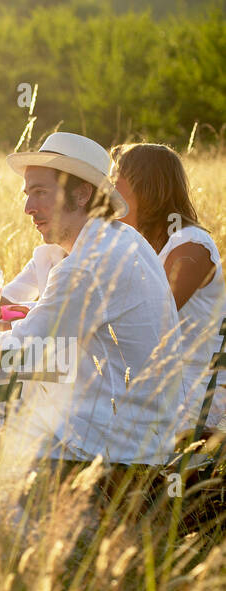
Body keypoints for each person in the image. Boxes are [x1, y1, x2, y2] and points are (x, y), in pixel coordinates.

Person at [0, 132, 186, 476]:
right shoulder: (120, 239)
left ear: (82, 193)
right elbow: (50, 343)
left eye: (40, 192)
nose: (28, 208)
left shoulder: (90, 263)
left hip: (111, 457)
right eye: (28, 194)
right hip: (134, 441)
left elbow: (24, 352)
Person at [111, 142, 226, 433]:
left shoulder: (190, 246)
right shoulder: (141, 243)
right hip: (159, 380)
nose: (106, 193)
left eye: (114, 183)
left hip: (198, 386)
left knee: (93, 412)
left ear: (146, 188)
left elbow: (148, 319)